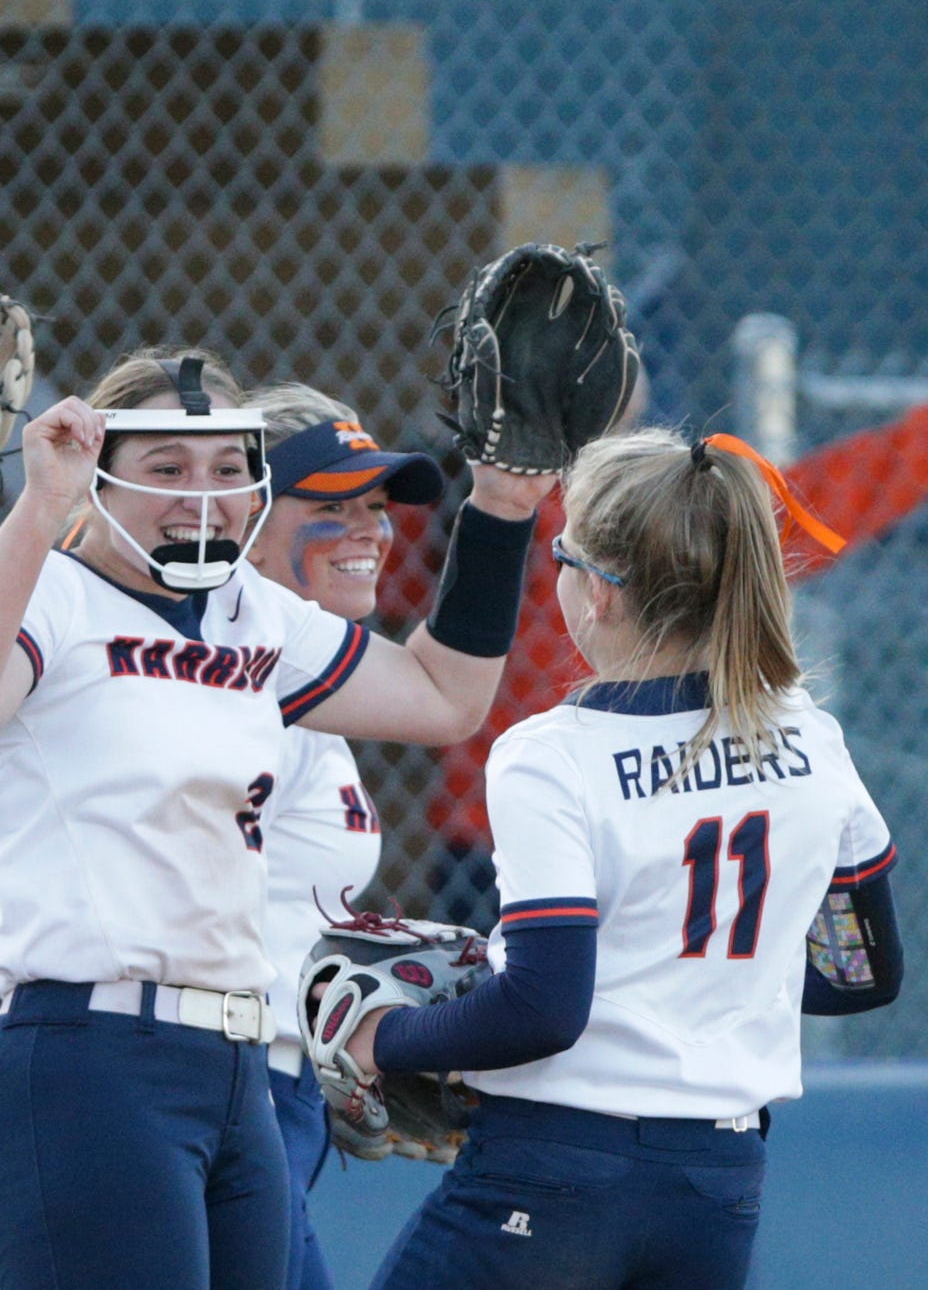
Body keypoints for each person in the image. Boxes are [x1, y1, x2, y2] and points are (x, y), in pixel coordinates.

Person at [0, 347, 555, 1290]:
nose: (200, 493)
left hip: (236, 1069)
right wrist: (41, 507)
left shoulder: (252, 616)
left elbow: (444, 697)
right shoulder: (63, 591)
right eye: (165, 468)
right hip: (90, 1061)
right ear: (102, 473)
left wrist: (499, 511)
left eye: (228, 469)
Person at [347, 429, 905, 1290]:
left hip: (555, 1163)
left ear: (601, 595)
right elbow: (863, 972)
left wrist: (390, 1039)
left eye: (565, 558)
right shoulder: (808, 736)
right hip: (716, 1186)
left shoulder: (552, 753)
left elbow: (544, 1008)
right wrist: (714, 989)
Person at [239, 383, 447, 1290]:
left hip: (279, 1087)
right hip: (223, 1083)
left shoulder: (311, 676)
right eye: (331, 508)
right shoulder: (227, 676)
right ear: (241, 514)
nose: (368, 530)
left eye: (375, 507)